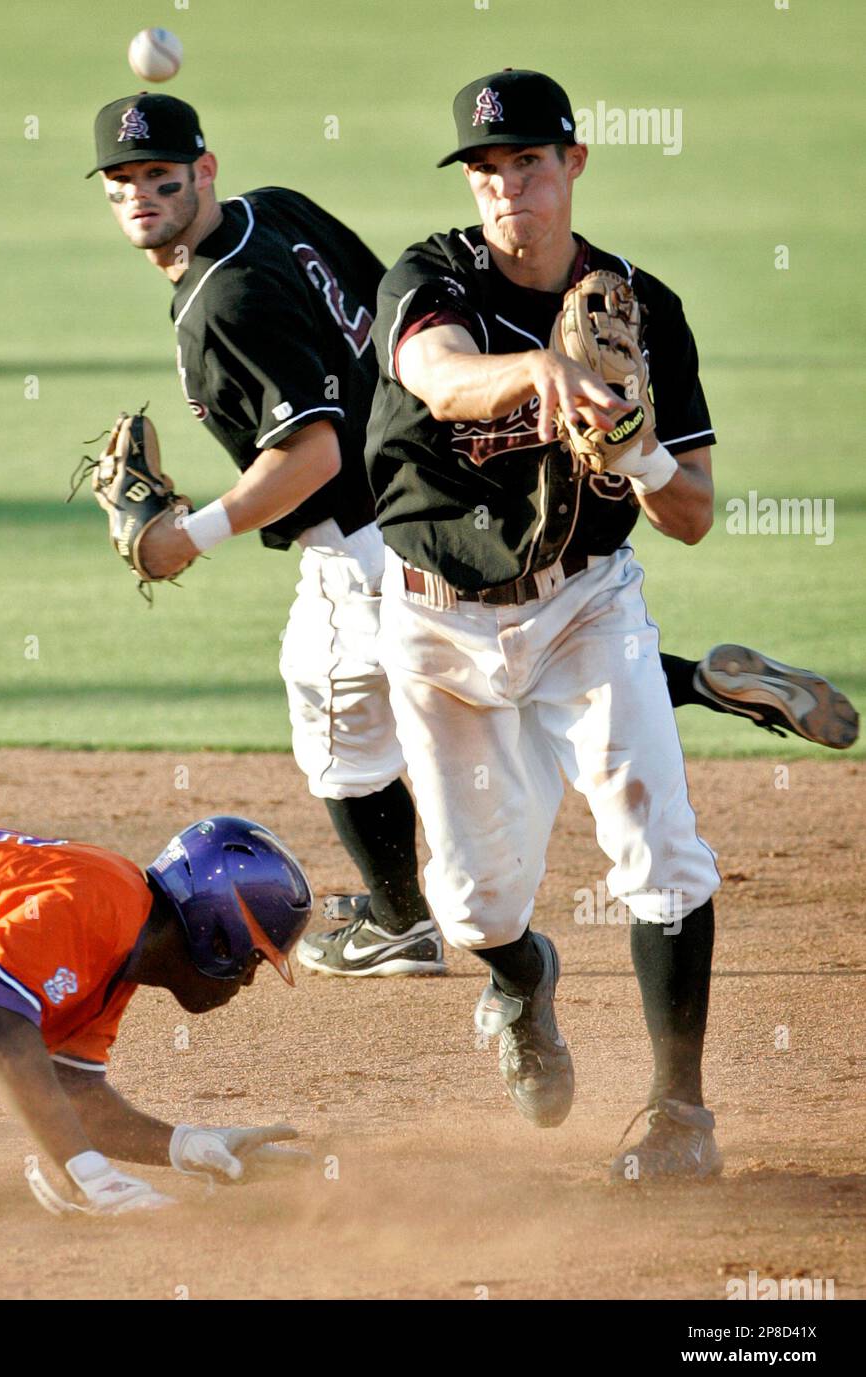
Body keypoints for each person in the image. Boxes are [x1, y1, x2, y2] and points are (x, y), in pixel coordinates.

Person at [88, 92, 858, 983]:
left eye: (160, 177)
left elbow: (314, 451)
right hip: (433, 502)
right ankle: (680, 683)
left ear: (202, 171)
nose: (142, 196)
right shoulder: (280, 212)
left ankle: (397, 924)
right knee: (531, 685)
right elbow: (402, 332)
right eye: (122, 184)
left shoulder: (219, 303)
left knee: (337, 736)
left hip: (379, 540)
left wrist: (193, 535)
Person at [365, 66, 737, 1180]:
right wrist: (543, 373)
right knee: (471, 902)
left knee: (658, 851)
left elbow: (691, 515)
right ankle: (521, 982)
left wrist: (639, 452)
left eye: (525, 159)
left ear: (572, 163)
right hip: (434, 626)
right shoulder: (430, 276)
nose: (503, 185)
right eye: (484, 166)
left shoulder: (641, 309)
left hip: (585, 605)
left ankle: (681, 1117)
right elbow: (435, 380)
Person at [0, 813, 311, 1213]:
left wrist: (186, 1146)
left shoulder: (121, 944)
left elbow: (75, 1098)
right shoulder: (96, 907)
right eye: (255, 959)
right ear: (220, 938)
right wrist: (87, 1177)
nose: (247, 980)